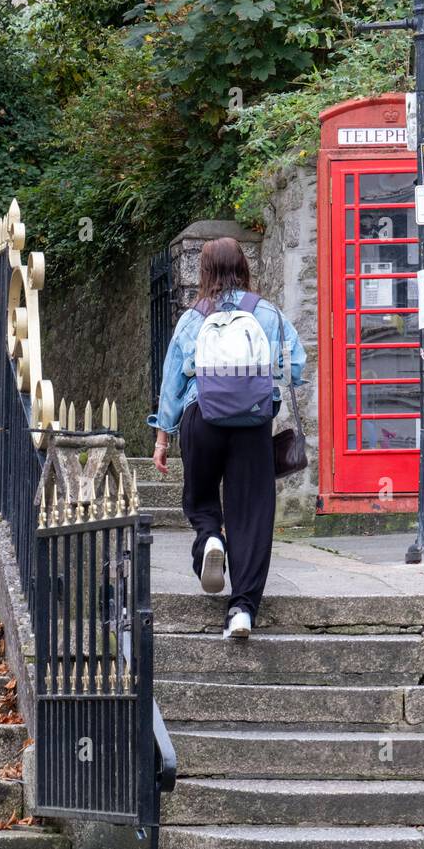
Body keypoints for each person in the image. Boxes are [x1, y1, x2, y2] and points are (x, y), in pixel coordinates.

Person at [149, 237, 306, 640]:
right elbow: (296, 365)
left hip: (201, 417)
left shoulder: (192, 318)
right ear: (243, 267)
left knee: (200, 498)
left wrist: (163, 438)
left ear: (204, 273)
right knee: (251, 512)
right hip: (252, 423)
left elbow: (172, 381)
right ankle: (242, 609)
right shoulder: (266, 313)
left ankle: (209, 539)